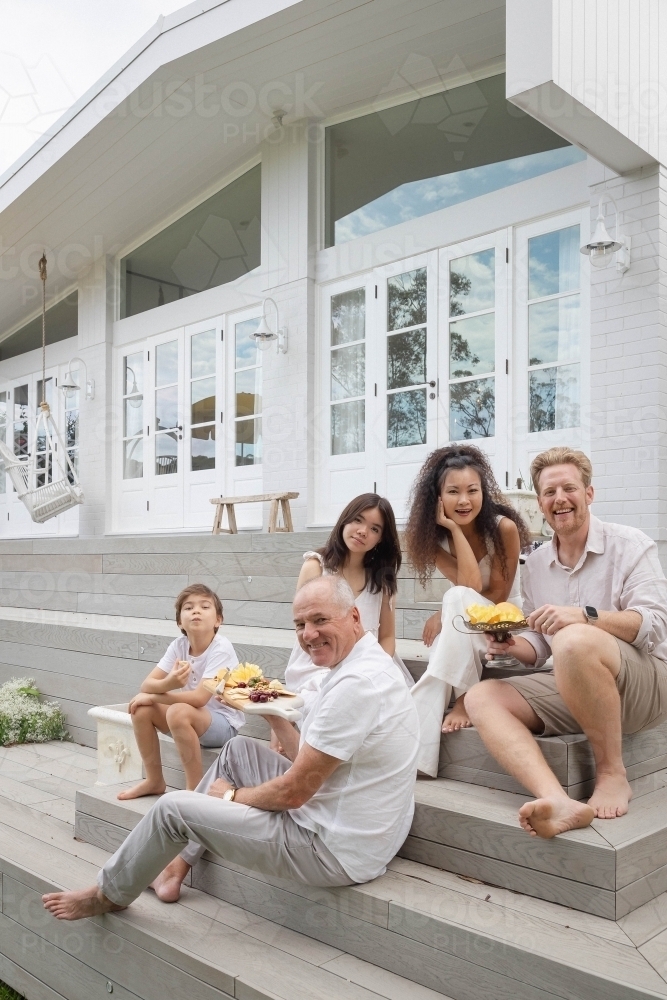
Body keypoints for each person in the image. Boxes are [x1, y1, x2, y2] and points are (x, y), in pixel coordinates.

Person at [42, 576, 420, 921]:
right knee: (239, 749)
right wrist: (273, 716)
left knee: (174, 808)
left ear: (354, 616)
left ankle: (108, 894)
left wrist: (233, 797)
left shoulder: (357, 684)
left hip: (333, 848)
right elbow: (312, 758)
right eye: (300, 624)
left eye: (320, 620)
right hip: (352, 818)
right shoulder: (362, 662)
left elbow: (294, 792)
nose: (308, 635)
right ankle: (174, 869)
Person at [464, 446, 667, 839]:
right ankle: (556, 800)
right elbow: (541, 645)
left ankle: (612, 773)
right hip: (581, 687)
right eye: (549, 492)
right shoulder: (536, 563)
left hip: (647, 686)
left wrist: (586, 617)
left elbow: (655, 626)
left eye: (569, 488)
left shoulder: (631, 544)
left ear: (588, 494)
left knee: (575, 638)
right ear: (539, 503)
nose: (560, 499)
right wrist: (512, 646)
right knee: (480, 697)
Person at [404, 445, 529, 776]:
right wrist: (455, 532)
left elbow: (497, 595)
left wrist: (446, 613)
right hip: (468, 621)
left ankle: (464, 697)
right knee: (456, 598)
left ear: (484, 493)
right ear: (437, 498)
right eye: (453, 492)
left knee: (456, 599)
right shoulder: (434, 541)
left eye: (473, 491)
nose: (464, 500)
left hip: (506, 621)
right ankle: (459, 700)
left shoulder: (503, 528)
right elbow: (469, 588)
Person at [284, 492, 413, 713]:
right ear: (345, 520)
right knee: (335, 702)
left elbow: (387, 637)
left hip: (369, 661)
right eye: (358, 520)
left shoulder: (383, 578)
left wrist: (372, 667)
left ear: (381, 538)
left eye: (375, 529)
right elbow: (303, 626)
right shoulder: (316, 567)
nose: (363, 531)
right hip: (320, 660)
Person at [117, 584, 242, 799]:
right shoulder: (178, 646)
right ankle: (154, 781)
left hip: (223, 724)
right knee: (141, 708)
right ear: (179, 622)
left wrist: (157, 694)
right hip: (188, 719)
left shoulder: (221, 648)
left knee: (176, 710)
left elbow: (200, 698)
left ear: (218, 620)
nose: (196, 611)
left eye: (204, 606)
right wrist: (170, 682)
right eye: (188, 607)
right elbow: (147, 685)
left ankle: (194, 790)